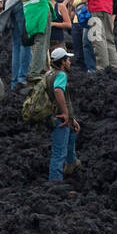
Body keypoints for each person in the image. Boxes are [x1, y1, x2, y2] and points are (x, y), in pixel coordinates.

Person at [16, 0, 63, 86]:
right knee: (42, 40)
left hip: (27, 7)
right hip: (40, 6)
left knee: (36, 40)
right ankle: (37, 71)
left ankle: (35, 69)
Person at [0, 0, 43, 89]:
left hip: (10, 3)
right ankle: (23, 77)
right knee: (26, 41)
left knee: (17, 44)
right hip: (21, 1)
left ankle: (14, 81)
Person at [43, 48, 81, 184]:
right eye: (68, 59)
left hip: (54, 116)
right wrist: (65, 114)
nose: (70, 61)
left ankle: (72, 163)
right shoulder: (61, 75)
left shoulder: (48, 73)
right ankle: (55, 182)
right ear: (63, 62)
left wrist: (72, 119)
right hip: (59, 119)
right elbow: (58, 91)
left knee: (72, 134)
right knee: (59, 153)